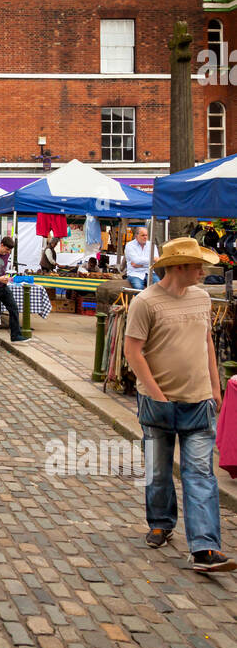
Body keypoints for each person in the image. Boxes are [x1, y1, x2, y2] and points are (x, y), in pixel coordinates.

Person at [124, 237, 236, 574]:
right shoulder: (145, 302)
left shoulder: (202, 298)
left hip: (199, 401)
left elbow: (206, 343)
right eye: (197, 265)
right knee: (158, 471)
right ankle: (160, 522)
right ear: (178, 267)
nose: (203, 271)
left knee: (200, 473)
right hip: (158, 404)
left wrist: (215, 387)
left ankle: (205, 546)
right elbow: (132, 351)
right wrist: (157, 394)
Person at [0, 235, 29, 344]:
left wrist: (6, 277)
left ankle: (15, 335)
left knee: (14, 308)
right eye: (7, 249)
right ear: (1, 245)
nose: (8, 252)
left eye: (10, 250)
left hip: (3, 287)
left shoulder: (7, 254)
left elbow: (1, 269)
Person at [125, 226, 158, 292]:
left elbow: (157, 261)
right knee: (138, 287)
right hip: (135, 273)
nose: (145, 237)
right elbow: (136, 260)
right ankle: (139, 302)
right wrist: (151, 260)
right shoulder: (130, 245)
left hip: (150, 272)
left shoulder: (152, 245)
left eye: (146, 235)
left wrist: (140, 264)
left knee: (159, 286)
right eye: (143, 235)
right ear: (136, 236)